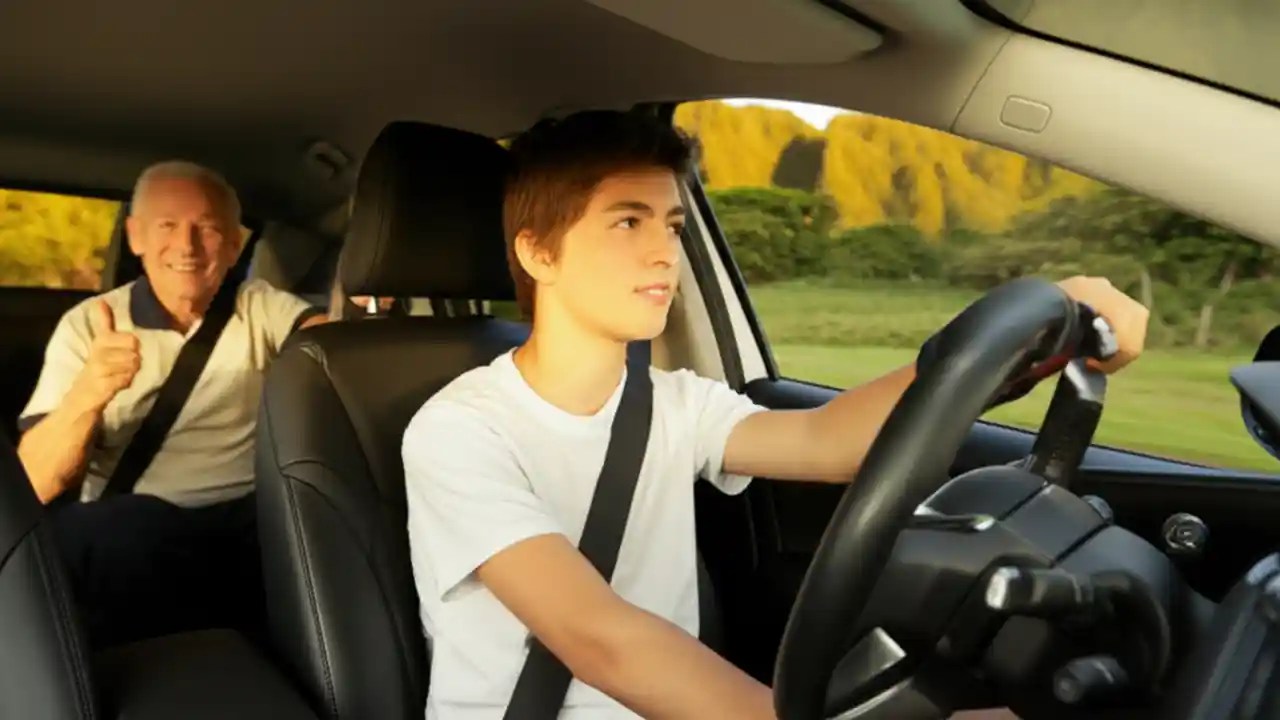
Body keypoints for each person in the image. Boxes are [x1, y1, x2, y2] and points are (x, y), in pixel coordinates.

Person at [401, 112, 1150, 719]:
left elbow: (831, 442)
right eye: (627, 223)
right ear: (538, 255)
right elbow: (601, 639)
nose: (664, 252)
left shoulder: (671, 402)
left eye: (671, 224)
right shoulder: (461, 430)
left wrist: (1010, 345)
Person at [16, 160, 329, 647]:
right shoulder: (88, 326)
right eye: (167, 226)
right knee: (121, 533)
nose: (186, 247)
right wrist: (89, 393)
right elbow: (33, 483)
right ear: (136, 237)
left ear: (232, 245)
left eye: (206, 229)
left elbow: (332, 348)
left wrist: (363, 319)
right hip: (132, 529)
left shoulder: (259, 305)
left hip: (243, 523)